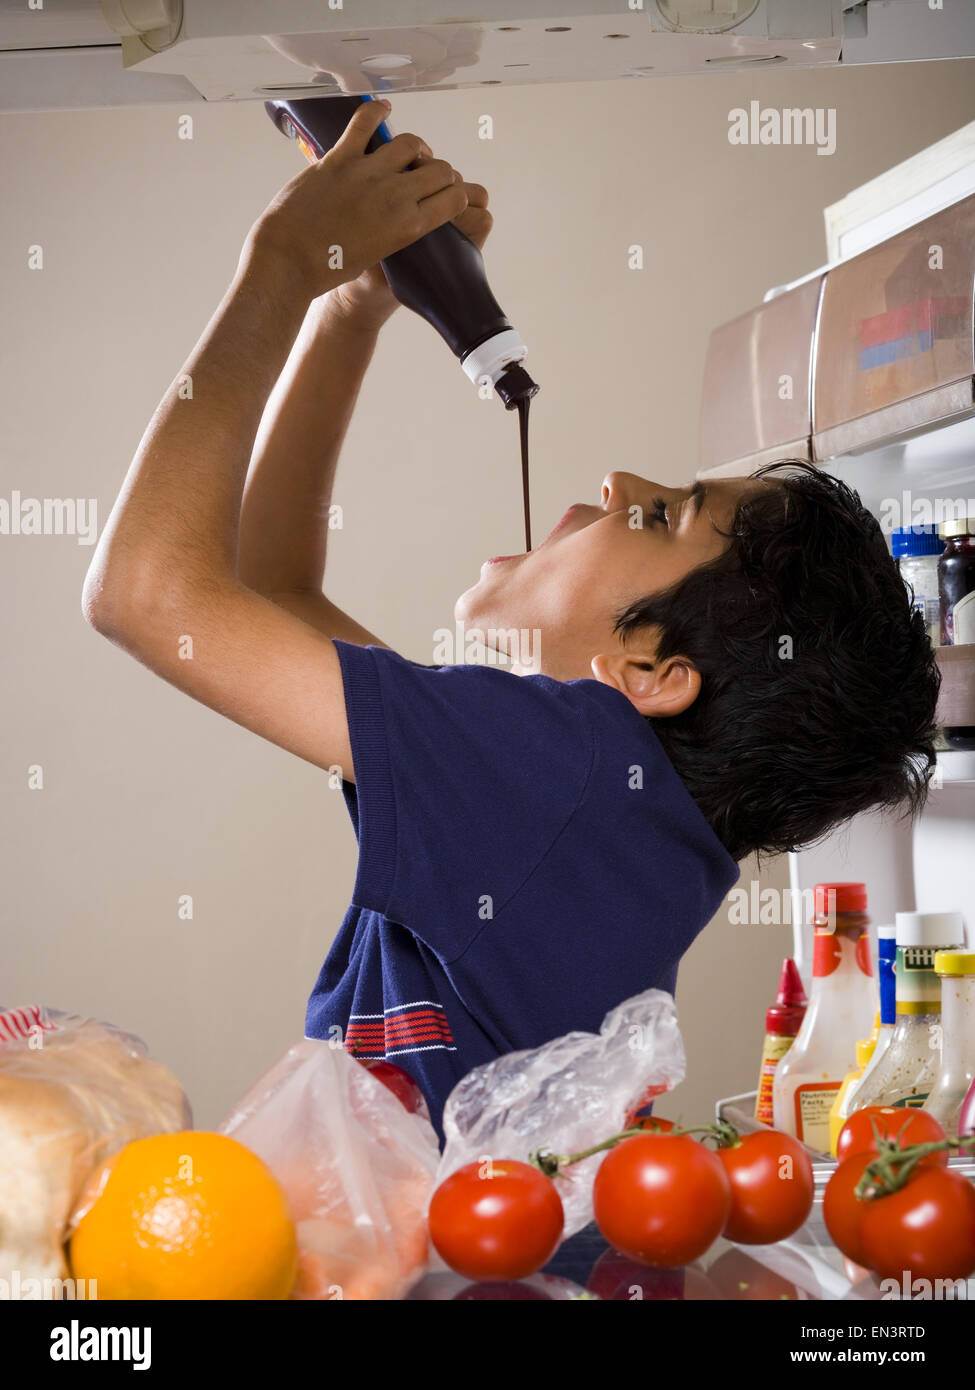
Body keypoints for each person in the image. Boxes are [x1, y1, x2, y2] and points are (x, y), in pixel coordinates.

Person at [83, 100, 940, 1143]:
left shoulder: (559, 771)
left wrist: (280, 261)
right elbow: (268, 587)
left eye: (663, 514)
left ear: (653, 670)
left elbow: (145, 594)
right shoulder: (607, 814)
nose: (620, 477)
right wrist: (352, 305)